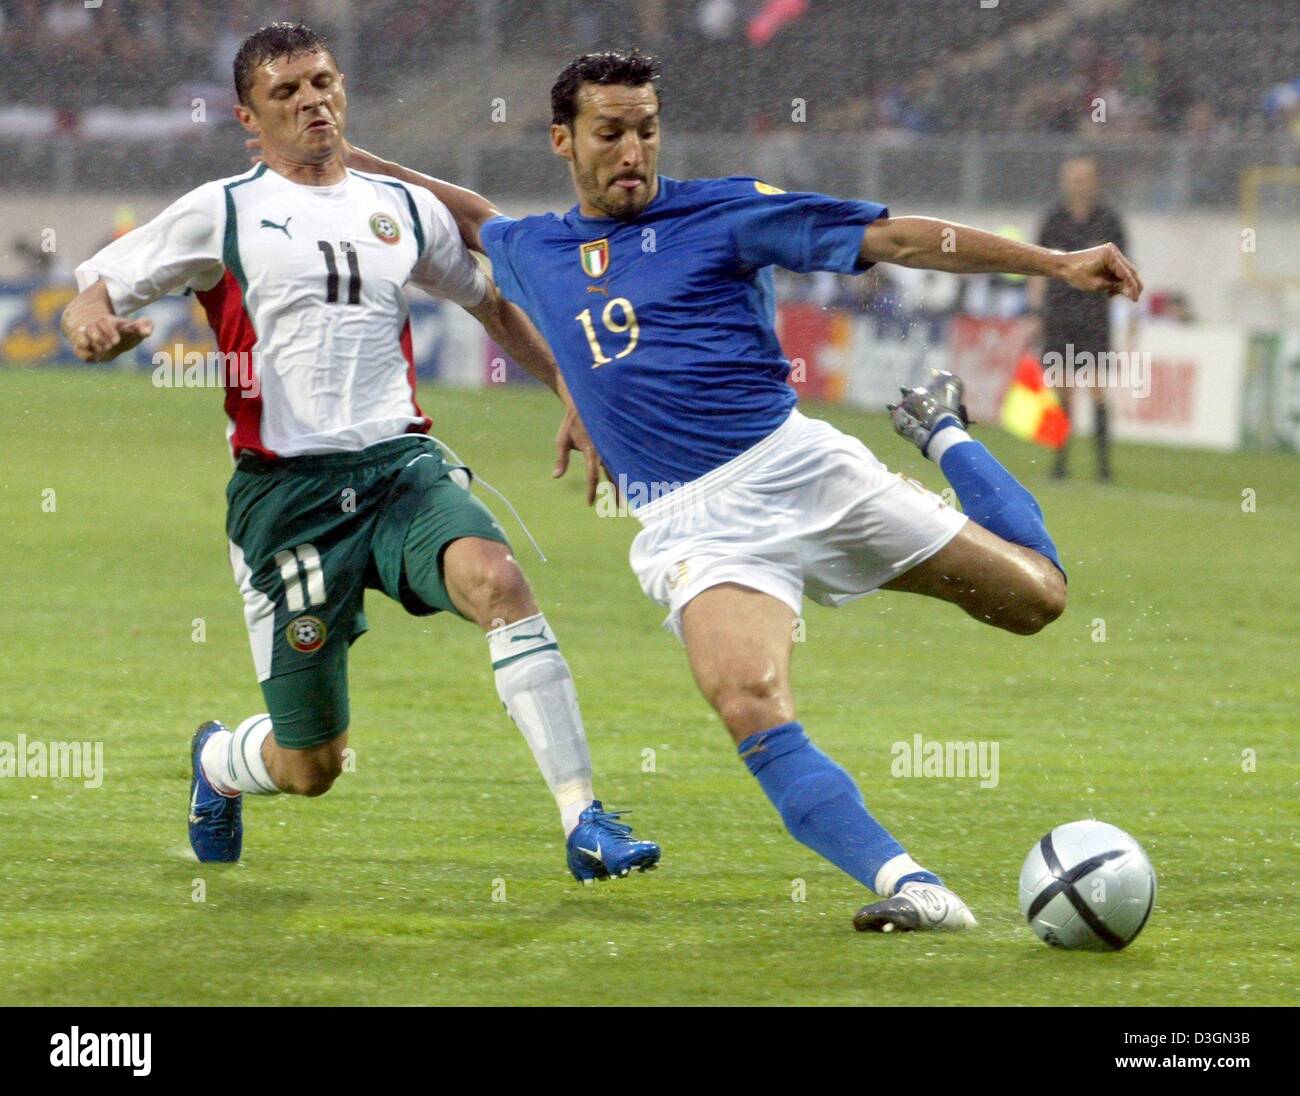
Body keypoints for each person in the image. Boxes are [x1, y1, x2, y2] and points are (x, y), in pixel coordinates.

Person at [346, 49, 1142, 933]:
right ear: (562, 141)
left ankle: (943, 431)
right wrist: (337, 154)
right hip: (695, 526)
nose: (632, 153)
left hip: (800, 470)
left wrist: (1056, 264)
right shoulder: (534, 247)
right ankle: (916, 886)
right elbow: (464, 211)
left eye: (646, 131)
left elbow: (896, 239)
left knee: (1038, 600)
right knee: (746, 701)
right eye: (609, 134)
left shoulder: (723, 212)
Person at [59, 25, 659, 883]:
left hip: (399, 472)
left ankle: (584, 818)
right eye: (287, 91)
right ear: (247, 117)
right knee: (313, 766)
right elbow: (95, 291)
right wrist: (93, 326)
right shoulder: (221, 209)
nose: (312, 100)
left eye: (323, 81)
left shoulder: (401, 208)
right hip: (287, 500)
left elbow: (492, 303)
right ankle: (220, 762)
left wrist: (573, 391)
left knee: (498, 581)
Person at [1030, 156, 1131, 481]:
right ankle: (1060, 464)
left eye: (1084, 177)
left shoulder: (1109, 221)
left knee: (1098, 388)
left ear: (1095, 181)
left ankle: (1103, 467)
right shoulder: (1053, 220)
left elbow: (1122, 269)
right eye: (1073, 178)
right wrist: (1036, 311)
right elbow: (1036, 267)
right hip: (1059, 313)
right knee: (1063, 390)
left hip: (1094, 314)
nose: (1078, 183)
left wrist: (1125, 313)